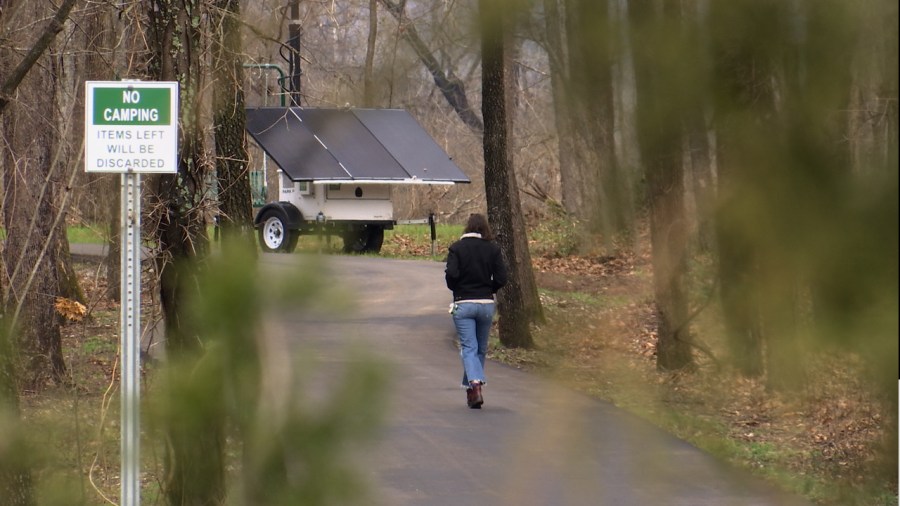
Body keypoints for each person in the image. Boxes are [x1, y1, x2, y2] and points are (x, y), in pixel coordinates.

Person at [445, 213, 507, 409]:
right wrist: (490, 288)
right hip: (486, 304)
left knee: (469, 349)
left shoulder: (457, 248)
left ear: (467, 228)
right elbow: (502, 277)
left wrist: (458, 288)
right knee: (479, 349)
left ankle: (475, 384)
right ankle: (472, 393)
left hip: (463, 303)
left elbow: (451, 275)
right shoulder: (493, 249)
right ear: (484, 229)